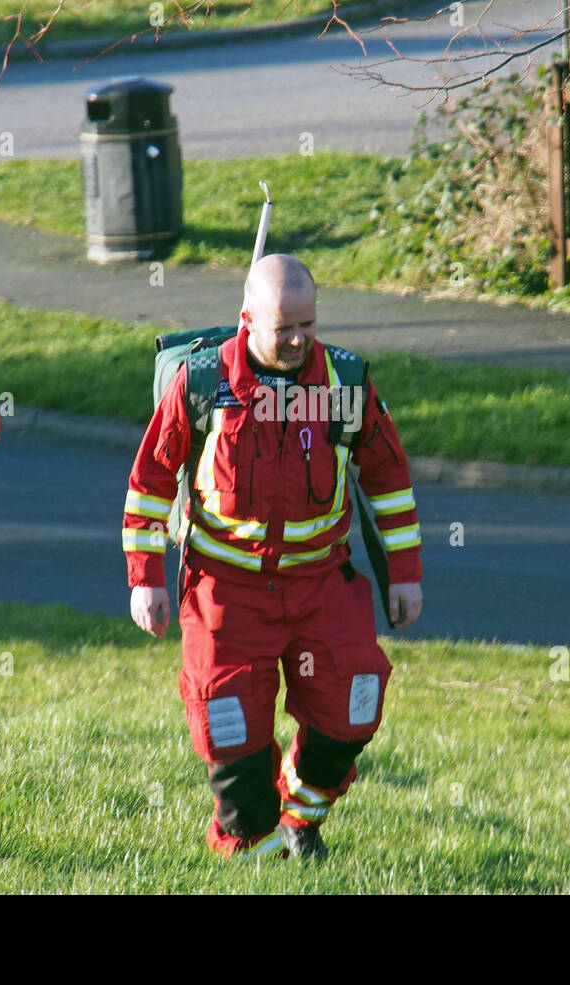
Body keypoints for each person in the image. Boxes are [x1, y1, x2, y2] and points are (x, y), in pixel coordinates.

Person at [123, 254, 423, 861]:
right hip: (224, 591)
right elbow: (151, 480)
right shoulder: (204, 384)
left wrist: (407, 574)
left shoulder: (346, 384)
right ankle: (249, 845)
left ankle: (300, 816)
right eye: (283, 326)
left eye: (307, 325)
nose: (297, 340)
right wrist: (145, 579)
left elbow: (387, 477)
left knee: (355, 705)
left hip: (322, 585)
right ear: (246, 320)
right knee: (230, 732)